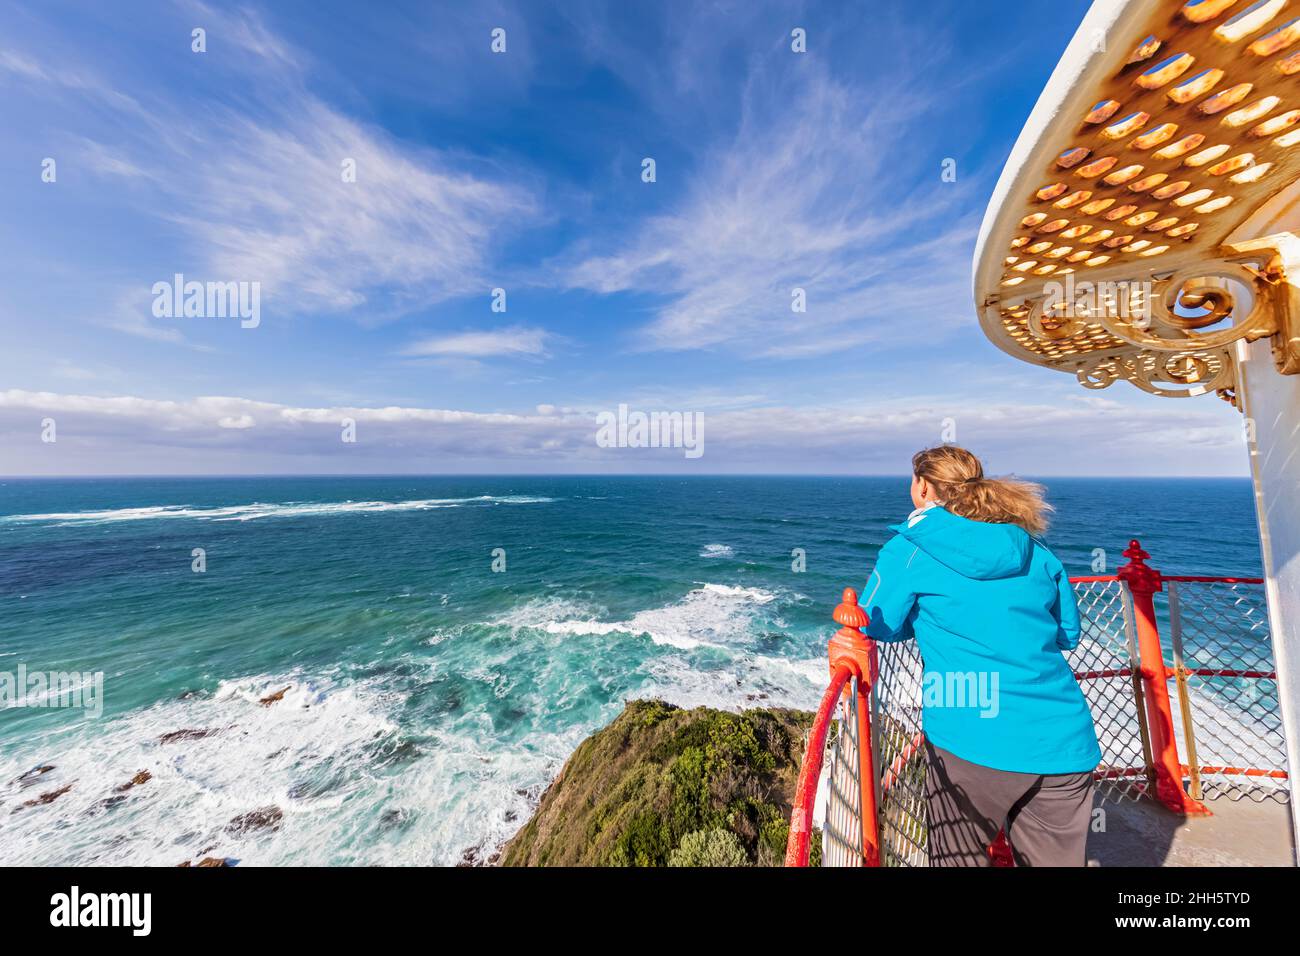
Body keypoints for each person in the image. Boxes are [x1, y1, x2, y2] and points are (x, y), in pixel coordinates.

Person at [863, 445, 1101, 867]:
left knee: (958, 859)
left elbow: (875, 623)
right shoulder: (1033, 547)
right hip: (1062, 735)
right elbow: (1068, 634)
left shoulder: (911, 548)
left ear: (921, 486)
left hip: (969, 731)